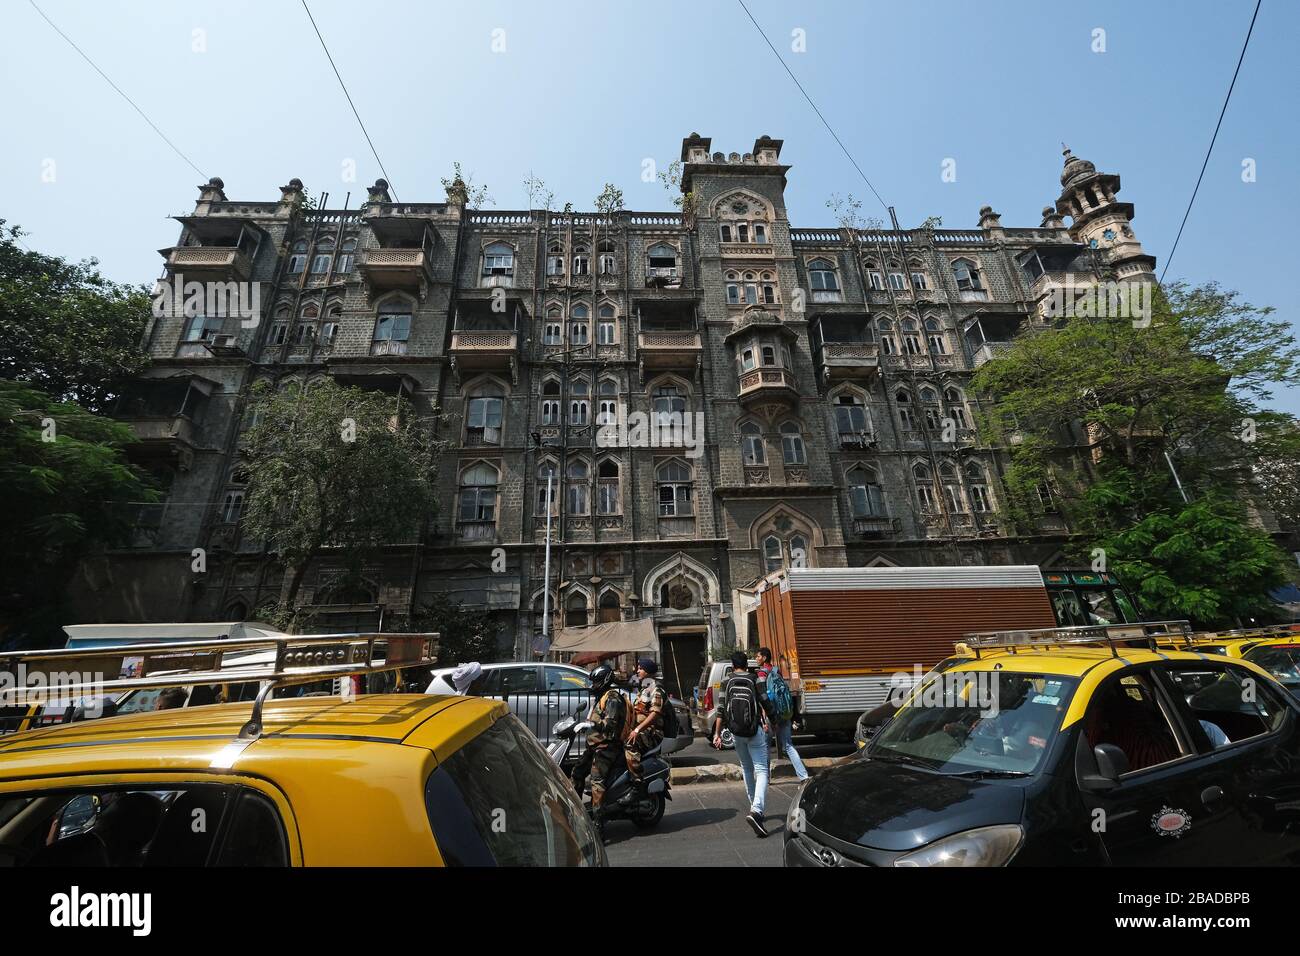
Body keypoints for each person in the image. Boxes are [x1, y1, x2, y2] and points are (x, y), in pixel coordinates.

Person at [713, 651, 774, 837]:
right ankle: (756, 810)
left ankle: (753, 807)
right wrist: (775, 722)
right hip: (754, 730)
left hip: (736, 732)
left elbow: (721, 710)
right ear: (746, 665)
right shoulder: (755, 679)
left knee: (747, 768)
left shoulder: (726, 682)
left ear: (732, 665)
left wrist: (717, 734)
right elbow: (766, 702)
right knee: (762, 769)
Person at [571, 664, 627, 843]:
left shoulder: (612, 699)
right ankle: (576, 815)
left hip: (607, 747)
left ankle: (598, 825)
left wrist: (592, 725)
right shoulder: (600, 697)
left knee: (596, 781)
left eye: (596, 683)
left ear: (604, 681)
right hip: (594, 745)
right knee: (577, 773)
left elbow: (610, 727)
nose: (593, 686)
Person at [756, 647, 807, 781]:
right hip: (783, 712)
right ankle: (803, 776)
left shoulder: (762, 674)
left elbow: (763, 698)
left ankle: (765, 779)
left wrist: (764, 719)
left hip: (770, 715)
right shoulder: (776, 670)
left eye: (758, 656)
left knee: (765, 747)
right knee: (789, 745)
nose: (756, 659)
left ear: (764, 658)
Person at [625, 659, 665, 780]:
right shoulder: (644, 689)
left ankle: (637, 781)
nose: (637, 671)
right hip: (642, 730)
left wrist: (637, 730)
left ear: (647, 671)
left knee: (630, 744)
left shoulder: (656, 690)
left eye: (640, 668)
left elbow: (655, 714)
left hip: (652, 733)